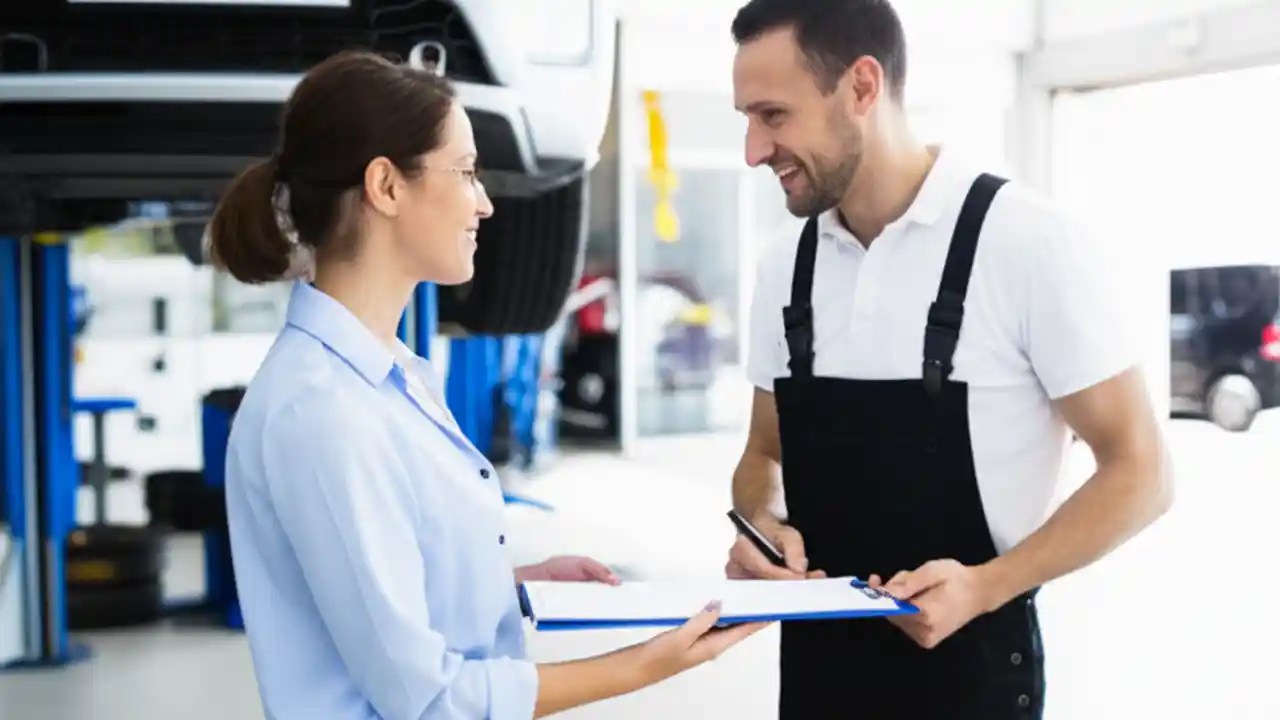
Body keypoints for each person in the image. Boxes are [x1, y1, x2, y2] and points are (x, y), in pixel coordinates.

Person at [209, 50, 766, 720]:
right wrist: (648, 663)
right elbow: (427, 697)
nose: (484, 202)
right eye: (466, 172)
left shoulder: (388, 379)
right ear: (386, 187)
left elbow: (374, 588)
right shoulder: (321, 412)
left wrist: (510, 588)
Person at [723, 1, 1175, 718]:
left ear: (862, 88)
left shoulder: (1027, 244)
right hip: (815, 683)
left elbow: (1142, 472)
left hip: (976, 686)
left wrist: (988, 585)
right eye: (746, 118)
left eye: (773, 116)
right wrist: (762, 527)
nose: (752, 149)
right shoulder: (786, 269)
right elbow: (763, 456)